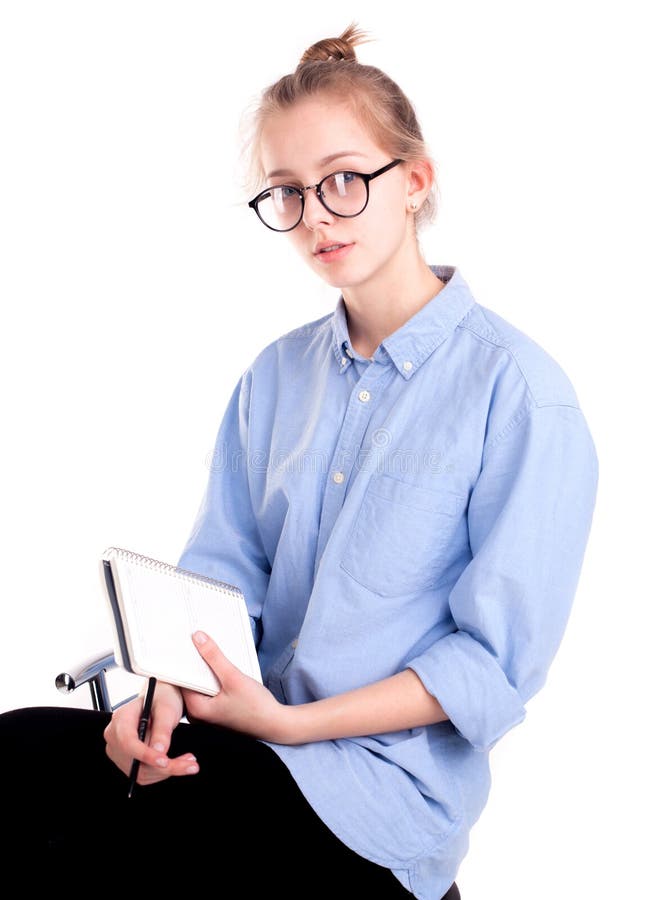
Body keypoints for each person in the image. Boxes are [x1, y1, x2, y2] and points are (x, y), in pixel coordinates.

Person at [0, 21, 598, 899]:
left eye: (343, 180)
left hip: (375, 792)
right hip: (239, 733)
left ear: (414, 182)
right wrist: (156, 703)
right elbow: (218, 577)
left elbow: (489, 664)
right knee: (19, 756)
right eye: (287, 192)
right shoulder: (274, 376)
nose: (315, 215)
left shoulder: (519, 396)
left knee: (140, 849)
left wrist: (289, 721)